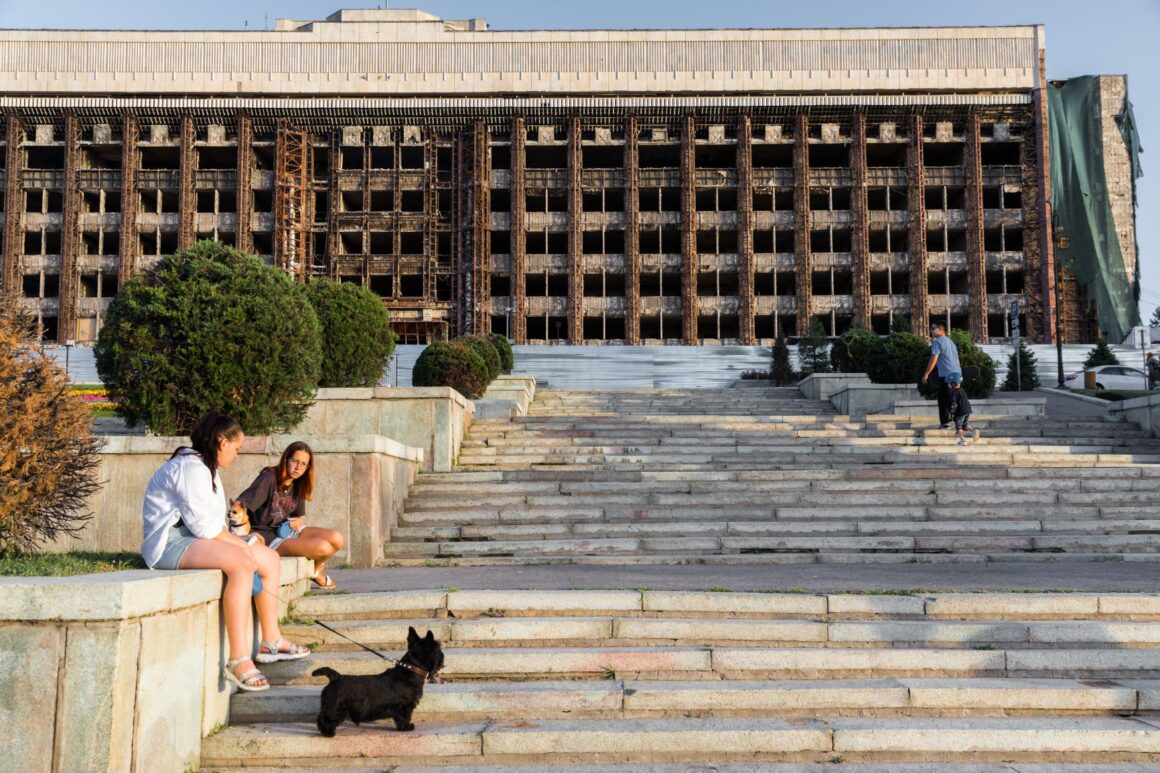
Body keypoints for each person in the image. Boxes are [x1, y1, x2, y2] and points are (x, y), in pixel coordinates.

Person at [141, 411, 309, 693]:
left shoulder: (208, 469)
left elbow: (212, 524)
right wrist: (243, 546)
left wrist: (248, 542)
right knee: (242, 560)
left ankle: (271, 640)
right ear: (221, 441)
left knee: (268, 556)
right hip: (169, 543)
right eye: (236, 447)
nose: (237, 454)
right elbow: (205, 528)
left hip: (194, 536)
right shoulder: (190, 468)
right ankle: (239, 659)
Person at [236, 441, 345, 590]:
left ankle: (315, 570)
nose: (298, 467)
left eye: (303, 464)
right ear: (286, 458)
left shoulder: (299, 482)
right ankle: (315, 573)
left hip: (288, 529)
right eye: (295, 461)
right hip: (268, 537)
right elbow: (240, 505)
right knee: (323, 548)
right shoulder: (269, 478)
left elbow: (297, 515)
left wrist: (299, 521)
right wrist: (241, 534)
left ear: (308, 467)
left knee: (337, 538)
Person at [920, 321, 962, 430]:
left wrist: (926, 374)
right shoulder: (951, 342)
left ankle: (945, 423)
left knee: (943, 399)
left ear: (940, 329)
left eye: (933, 328)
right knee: (951, 397)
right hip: (955, 374)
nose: (931, 331)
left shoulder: (937, 342)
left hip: (946, 375)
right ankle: (955, 420)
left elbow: (934, 358)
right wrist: (959, 375)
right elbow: (957, 360)